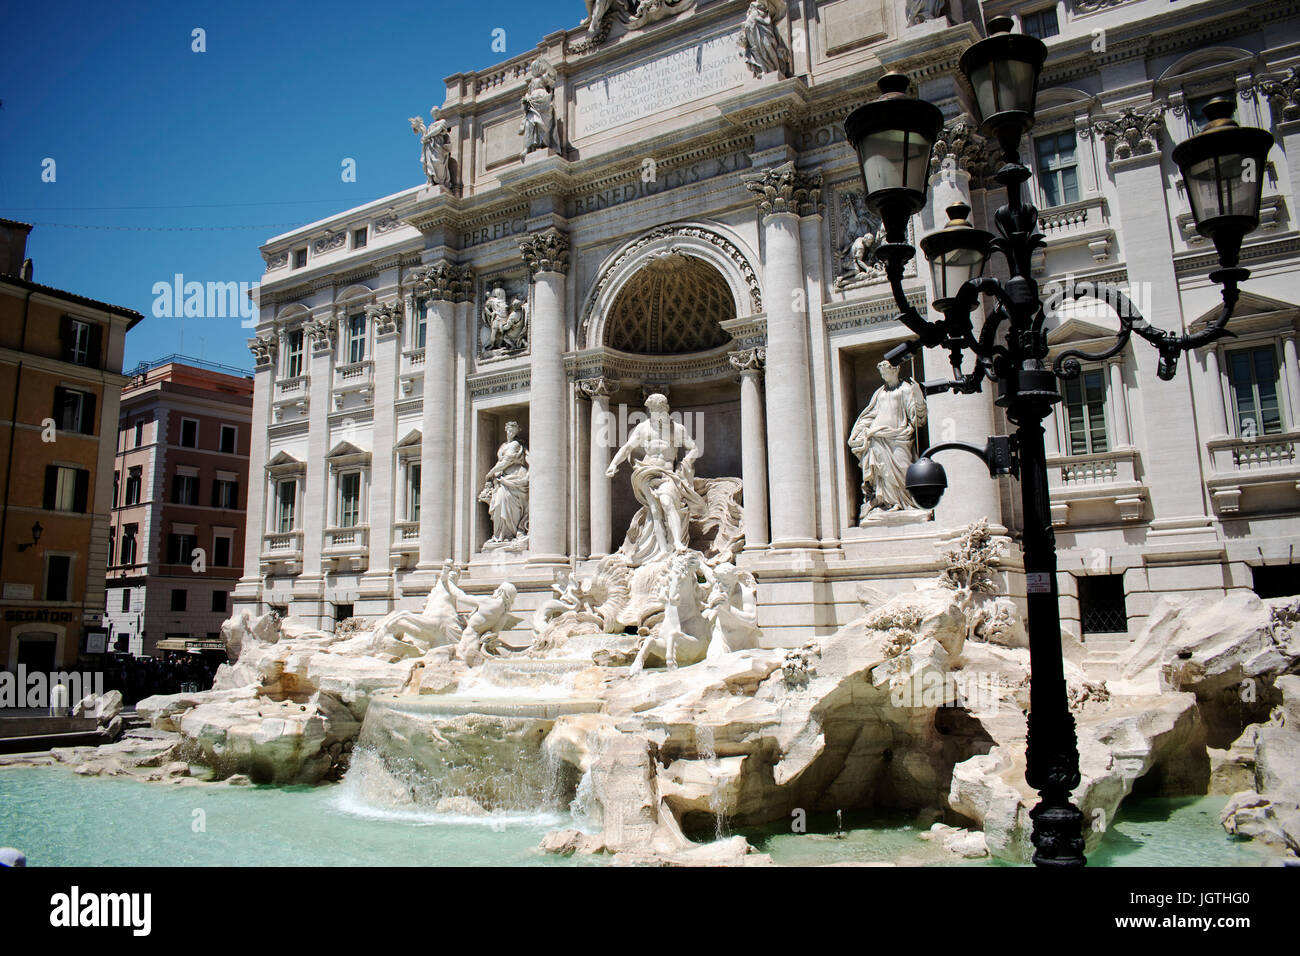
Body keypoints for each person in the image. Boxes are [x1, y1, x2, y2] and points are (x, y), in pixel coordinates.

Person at [606, 393, 705, 565]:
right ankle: (663, 551)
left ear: (665, 409)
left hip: (668, 474)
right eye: (651, 410)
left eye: (658, 410)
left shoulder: (677, 429)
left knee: (667, 503)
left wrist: (686, 463)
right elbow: (628, 447)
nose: (654, 413)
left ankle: (677, 543)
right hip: (647, 472)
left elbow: (693, 448)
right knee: (655, 511)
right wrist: (614, 464)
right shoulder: (643, 428)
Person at [848, 360, 929, 520]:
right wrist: (858, 431)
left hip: (899, 437)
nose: (883, 375)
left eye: (886, 372)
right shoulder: (880, 392)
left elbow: (918, 417)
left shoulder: (905, 389)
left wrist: (918, 396)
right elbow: (870, 415)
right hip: (878, 437)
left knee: (904, 468)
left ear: (896, 370)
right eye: (881, 373)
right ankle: (889, 503)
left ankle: (907, 503)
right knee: (883, 472)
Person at [480, 421, 529, 544]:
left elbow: (507, 461)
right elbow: (500, 462)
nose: (510, 432)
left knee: (507, 502)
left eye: (513, 429)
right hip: (502, 478)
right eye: (508, 429)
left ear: (517, 431)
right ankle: (499, 535)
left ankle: (510, 534)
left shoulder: (515, 444)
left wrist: (491, 473)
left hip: (515, 476)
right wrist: (495, 473)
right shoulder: (503, 445)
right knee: (498, 504)